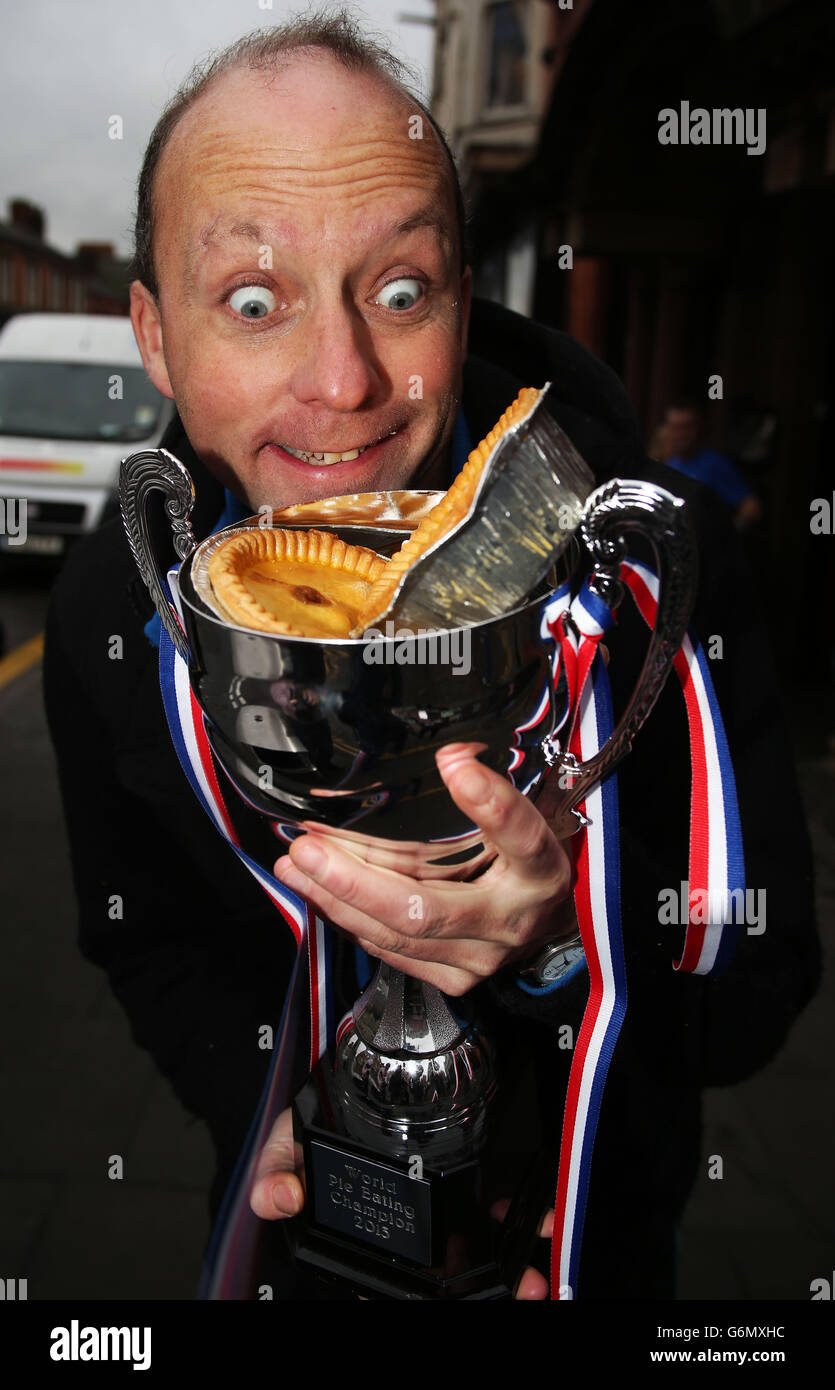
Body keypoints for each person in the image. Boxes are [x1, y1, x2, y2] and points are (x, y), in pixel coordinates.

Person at [43, 12, 818, 1301]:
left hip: (588, 1246)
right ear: (156, 334)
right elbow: (145, 940)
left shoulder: (652, 575)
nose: (344, 379)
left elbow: (758, 989)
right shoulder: (110, 609)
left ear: (464, 294)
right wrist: (263, 1105)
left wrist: (561, 938)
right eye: (252, 299)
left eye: (401, 290)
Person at [662, 400, 764, 530]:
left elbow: (751, 508)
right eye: (676, 428)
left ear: (698, 429)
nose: (681, 435)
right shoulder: (671, 463)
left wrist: (723, 537)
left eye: (687, 427)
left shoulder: (715, 464)